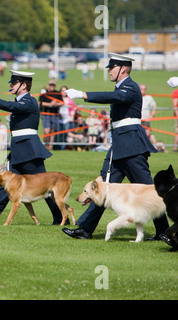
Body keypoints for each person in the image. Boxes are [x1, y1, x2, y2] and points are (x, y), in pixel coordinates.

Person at [63, 53, 169, 240]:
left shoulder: (130, 87)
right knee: (101, 188)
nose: (109, 71)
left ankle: (164, 232)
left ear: (123, 69)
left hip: (132, 148)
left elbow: (113, 97)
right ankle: (85, 229)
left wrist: (83, 95)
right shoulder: (122, 87)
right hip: (119, 147)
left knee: (150, 191)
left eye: (112, 68)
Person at [0, 70, 65, 225]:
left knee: (46, 187)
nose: (11, 85)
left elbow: (10, 106)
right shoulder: (20, 100)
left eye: (14, 83)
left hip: (29, 151)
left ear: (23, 85)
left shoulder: (29, 101)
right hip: (19, 150)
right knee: (4, 184)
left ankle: (60, 218)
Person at [39, 80, 63, 150]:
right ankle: (45, 145)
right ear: (48, 85)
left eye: (53, 85)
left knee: (52, 132)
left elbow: (62, 103)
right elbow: (40, 103)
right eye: (51, 85)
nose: (52, 86)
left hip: (55, 114)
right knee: (46, 131)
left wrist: (55, 104)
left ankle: (50, 147)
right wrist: (50, 105)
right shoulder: (44, 93)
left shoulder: (58, 93)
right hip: (46, 115)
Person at [58, 86, 76, 150]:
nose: (64, 92)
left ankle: (62, 148)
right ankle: (56, 148)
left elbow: (73, 109)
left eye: (65, 91)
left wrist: (72, 117)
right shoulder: (58, 99)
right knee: (58, 135)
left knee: (65, 135)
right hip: (59, 119)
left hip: (67, 119)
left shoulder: (70, 100)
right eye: (62, 90)